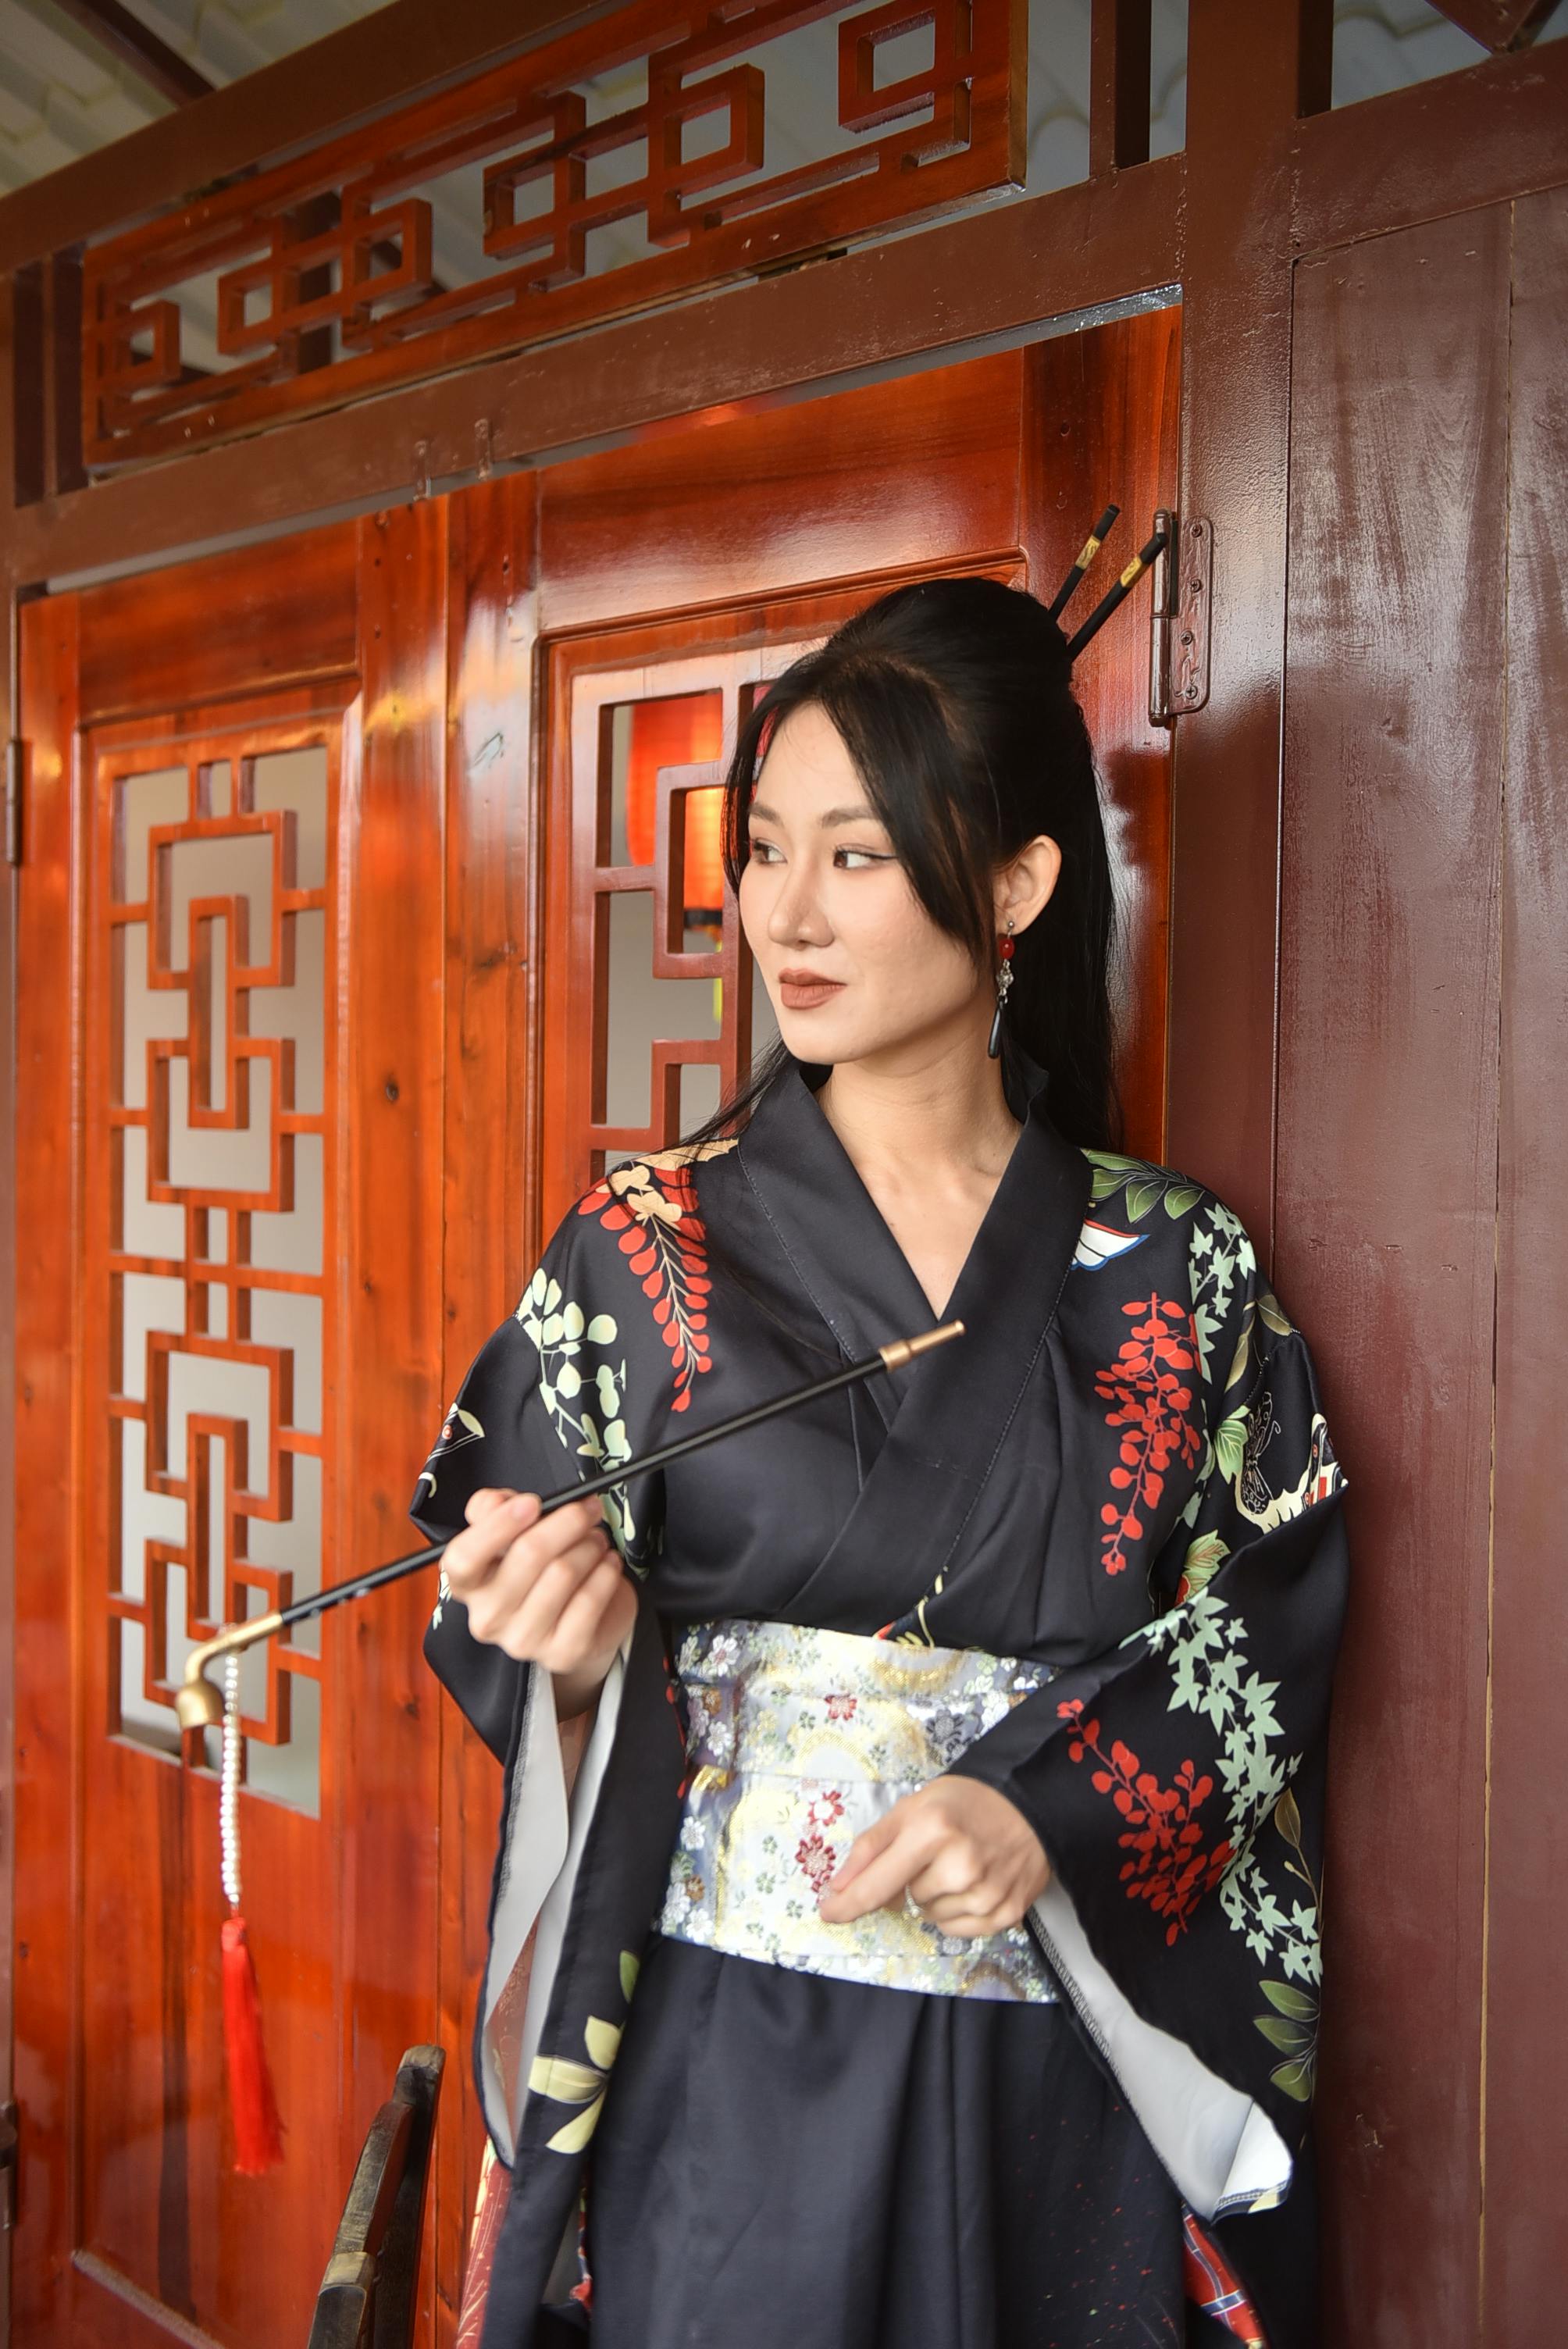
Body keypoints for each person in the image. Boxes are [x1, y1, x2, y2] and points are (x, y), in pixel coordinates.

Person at [412, 576, 1349, 2349]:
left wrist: (1042, 1807)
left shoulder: (1175, 1267)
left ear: (1012, 885)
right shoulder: (641, 1251)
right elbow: (511, 1630)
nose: (786, 908)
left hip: (1042, 2057)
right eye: (764, 846)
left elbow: (1266, 1625)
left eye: (854, 853)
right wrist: (568, 1640)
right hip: (724, 2057)